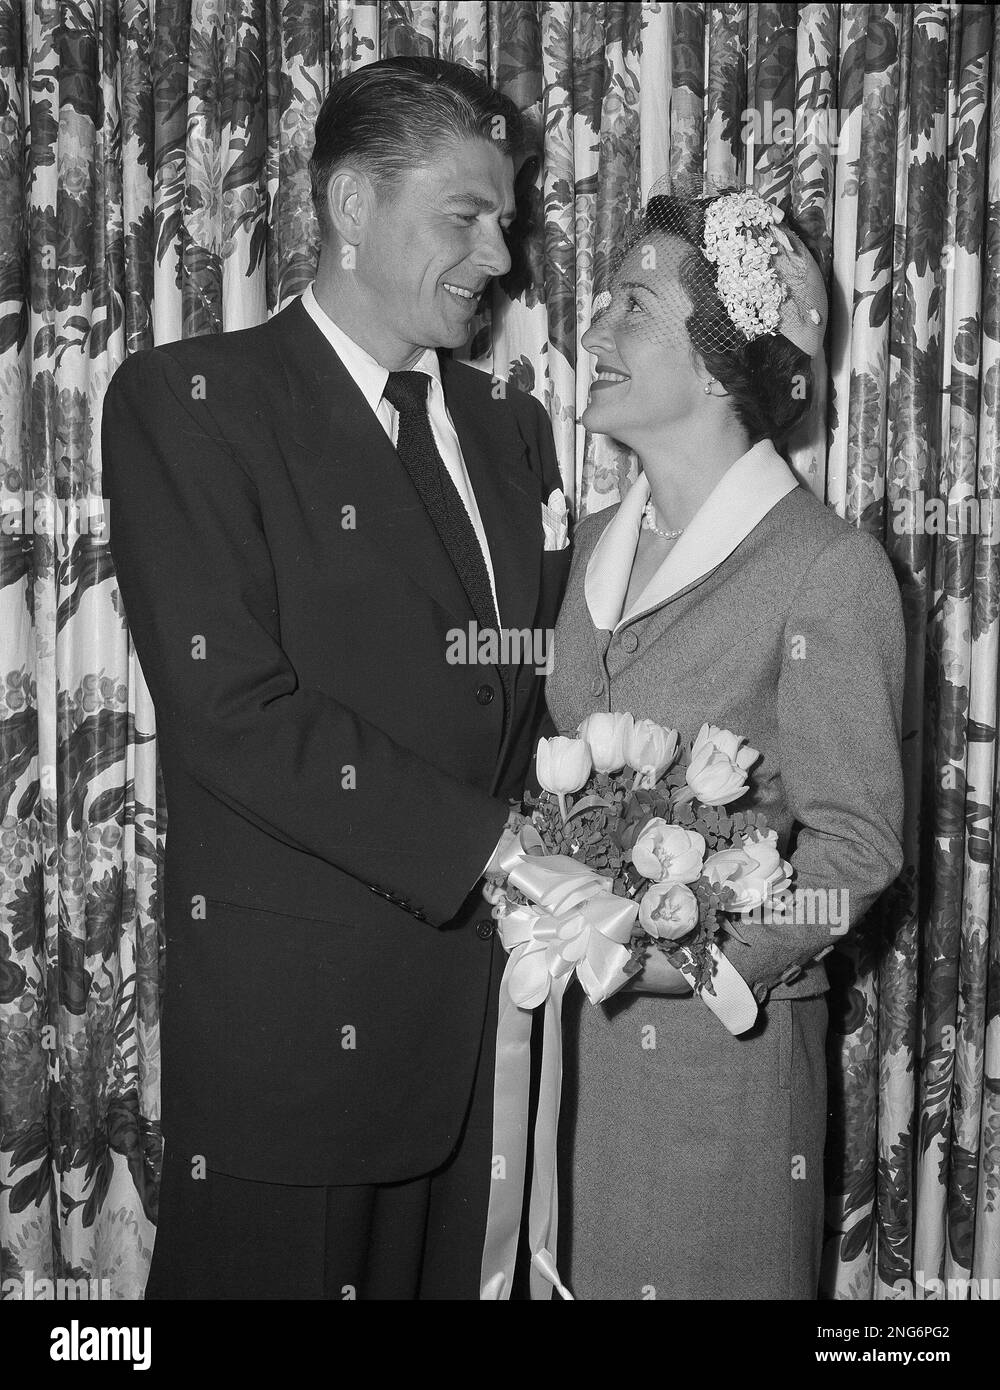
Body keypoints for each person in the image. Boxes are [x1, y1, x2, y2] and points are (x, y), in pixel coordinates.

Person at [100, 56, 569, 1300]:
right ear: (352, 207)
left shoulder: (513, 430)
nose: (499, 254)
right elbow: (233, 714)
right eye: (464, 216)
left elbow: (516, 683)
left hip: (485, 1048)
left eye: (506, 220)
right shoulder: (192, 403)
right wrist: (501, 853)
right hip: (298, 1052)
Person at [545, 188, 905, 1299]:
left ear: (715, 366)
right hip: (559, 1069)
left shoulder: (826, 567)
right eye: (602, 299)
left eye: (633, 307)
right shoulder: (583, 545)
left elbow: (855, 852)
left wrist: (683, 955)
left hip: (720, 1082)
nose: (592, 331)